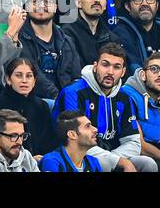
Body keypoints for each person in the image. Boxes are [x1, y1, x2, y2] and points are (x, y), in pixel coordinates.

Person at [55, 42, 148, 171]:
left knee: (147, 164)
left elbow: (134, 142)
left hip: (112, 155)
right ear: (95, 66)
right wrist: (119, 162)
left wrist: (114, 159)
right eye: (105, 65)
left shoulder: (125, 97)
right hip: (77, 156)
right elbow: (76, 142)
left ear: (123, 72)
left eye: (116, 67)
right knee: (102, 164)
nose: (110, 72)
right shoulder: (74, 93)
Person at [40, 110, 106, 171]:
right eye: (88, 126)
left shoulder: (93, 162)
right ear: (72, 134)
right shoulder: (51, 162)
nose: (95, 129)